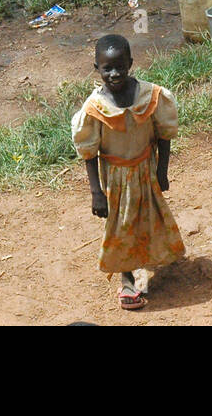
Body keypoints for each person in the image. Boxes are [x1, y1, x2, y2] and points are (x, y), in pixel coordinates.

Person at [71, 34, 184, 310]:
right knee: (120, 226)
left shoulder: (151, 96)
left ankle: (150, 257)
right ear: (96, 68)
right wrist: (96, 193)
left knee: (149, 216)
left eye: (120, 66)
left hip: (145, 170)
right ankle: (127, 278)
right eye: (107, 68)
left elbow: (164, 135)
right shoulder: (95, 109)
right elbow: (89, 153)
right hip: (116, 180)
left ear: (131, 63)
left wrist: (162, 170)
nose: (114, 73)